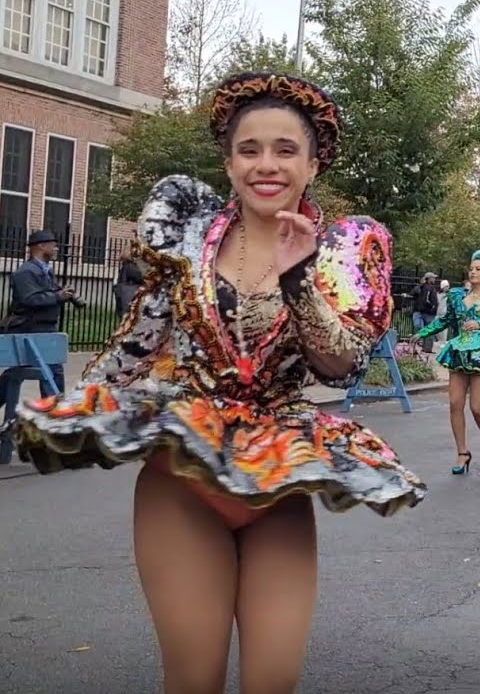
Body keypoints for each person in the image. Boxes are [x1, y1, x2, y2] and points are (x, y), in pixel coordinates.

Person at [12, 72, 427, 694]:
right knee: (193, 678)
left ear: (313, 163)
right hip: (182, 480)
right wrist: (74, 408)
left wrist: (299, 281)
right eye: (250, 149)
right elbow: (138, 341)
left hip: (277, 480)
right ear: (229, 161)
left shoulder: (343, 246)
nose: (267, 164)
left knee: (273, 679)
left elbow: (339, 364)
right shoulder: (186, 238)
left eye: (286, 150)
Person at [417, 250, 480, 474]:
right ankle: (462, 453)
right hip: (460, 350)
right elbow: (447, 320)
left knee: (477, 407)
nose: (473, 271)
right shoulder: (458, 297)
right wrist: (422, 333)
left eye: (478, 269)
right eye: (471, 268)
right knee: (454, 403)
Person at [1, 230, 78, 396]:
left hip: (42, 329)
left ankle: (53, 411)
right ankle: (53, 412)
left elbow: (44, 293)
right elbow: (30, 299)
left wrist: (62, 293)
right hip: (28, 329)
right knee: (49, 371)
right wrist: (58, 296)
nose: (57, 249)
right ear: (41, 246)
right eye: (53, 245)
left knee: (38, 371)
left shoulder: (45, 270)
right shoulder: (25, 272)